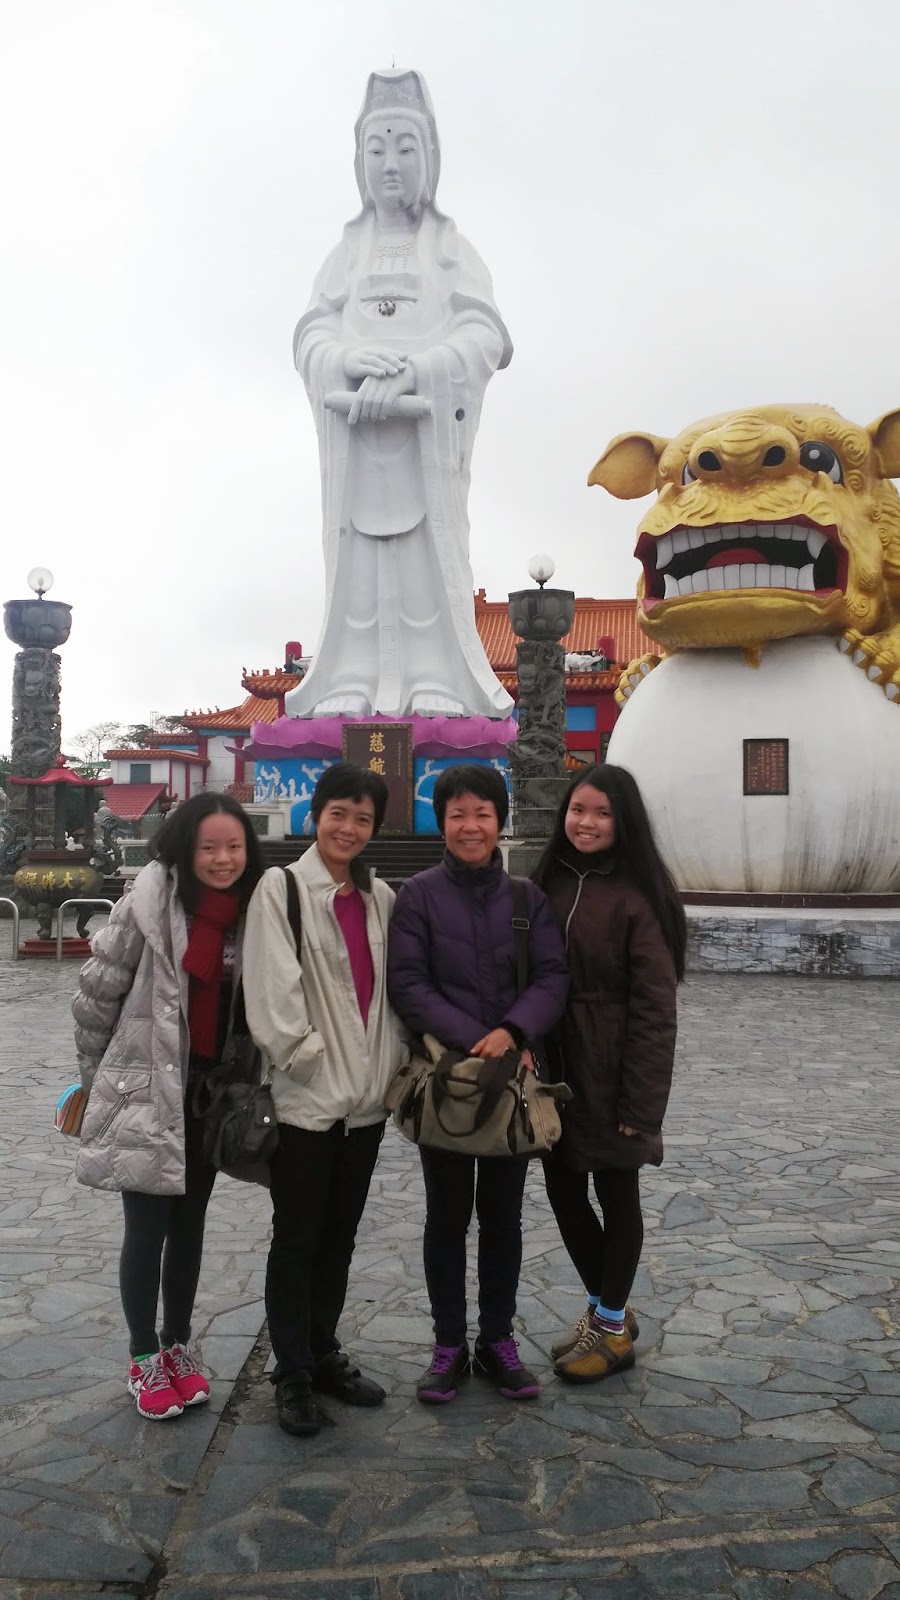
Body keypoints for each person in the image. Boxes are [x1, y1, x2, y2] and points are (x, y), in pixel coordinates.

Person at [284, 67, 514, 720]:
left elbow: (485, 335)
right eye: (377, 149)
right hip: (356, 440)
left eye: (405, 148)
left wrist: (420, 372)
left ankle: (432, 676)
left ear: (430, 158)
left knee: (423, 557)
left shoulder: (451, 252)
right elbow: (310, 335)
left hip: (424, 439)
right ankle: (350, 678)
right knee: (357, 563)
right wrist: (348, 360)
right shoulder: (345, 256)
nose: (390, 164)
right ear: (359, 160)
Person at [73, 793, 264, 1420]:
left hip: (210, 1094)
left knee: (190, 1228)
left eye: (234, 846)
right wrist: (97, 1082)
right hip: (148, 1091)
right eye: (209, 847)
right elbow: (97, 996)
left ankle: (177, 1345)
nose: (223, 858)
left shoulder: (251, 911)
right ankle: (142, 1357)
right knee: (146, 1231)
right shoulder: (148, 906)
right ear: (184, 847)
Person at [388, 764, 569, 1403]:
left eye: (482, 814)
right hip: (448, 1083)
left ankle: (496, 1339)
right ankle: (446, 1345)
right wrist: (475, 1037)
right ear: (443, 821)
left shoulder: (527, 899)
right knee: (446, 1217)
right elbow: (408, 984)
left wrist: (514, 1031)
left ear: (501, 821)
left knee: (503, 1218)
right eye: (458, 814)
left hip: (511, 1086)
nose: (471, 826)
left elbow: (552, 977)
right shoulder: (417, 897)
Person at [242, 763, 408, 1438]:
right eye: (338, 813)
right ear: (315, 815)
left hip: (365, 1106)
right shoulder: (281, 889)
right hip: (309, 1105)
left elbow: (394, 993)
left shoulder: (382, 899)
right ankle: (291, 1371)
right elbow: (274, 998)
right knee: (298, 1237)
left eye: (363, 818)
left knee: (339, 1237)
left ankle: (321, 1348)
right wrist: (314, 1065)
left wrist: (386, 1069)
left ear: (374, 828)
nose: (348, 828)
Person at [531, 763, 686, 1383]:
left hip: (614, 1067)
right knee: (565, 1192)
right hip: (555, 1067)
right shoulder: (547, 882)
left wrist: (640, 1107)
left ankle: (612, 1323)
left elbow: (656, 1012)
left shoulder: (639, 898)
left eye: (600, 812)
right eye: (577, 809)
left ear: (623, 822)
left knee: (617, 1195)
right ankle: (608, 1313)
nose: (585, 822)